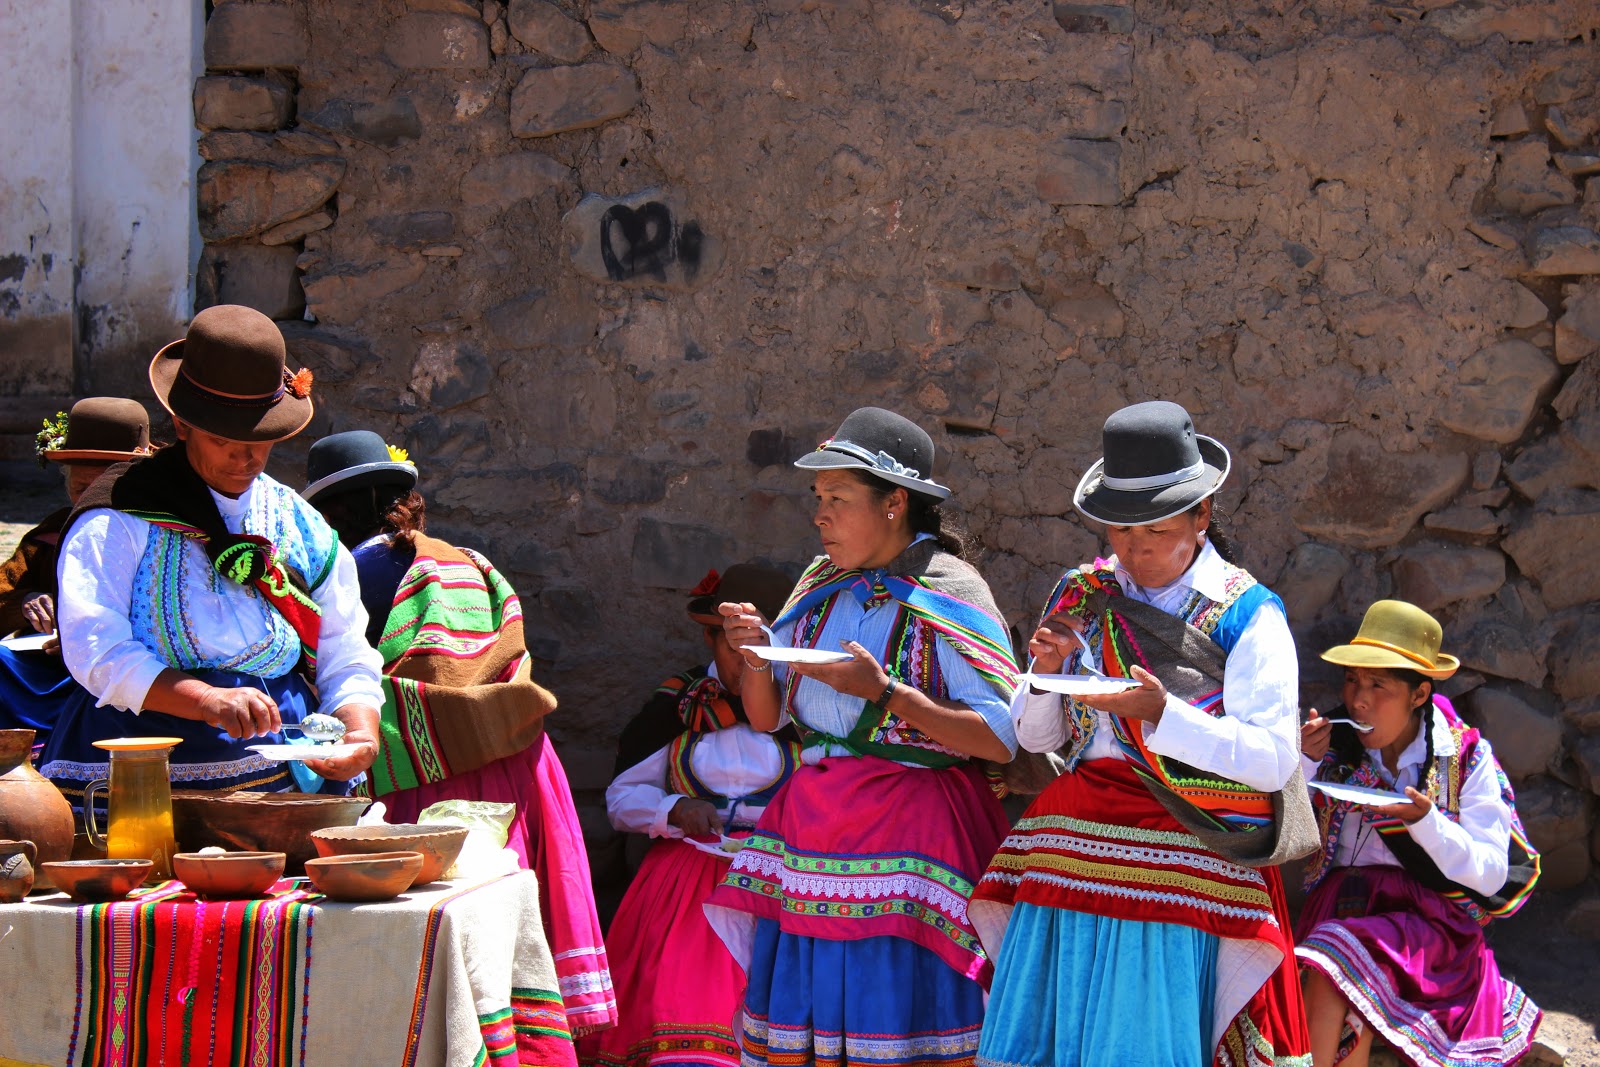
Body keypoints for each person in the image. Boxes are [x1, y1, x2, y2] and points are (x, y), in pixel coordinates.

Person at [970, 400, 1311, 1067]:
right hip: (1079, 827)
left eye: (1154, 529)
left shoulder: (1247, 614)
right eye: (1120, 531)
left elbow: (1274, 760)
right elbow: (1035, 737)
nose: (1134, 548)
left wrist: (1162, 716)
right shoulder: (1084, 592)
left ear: (1201, 514)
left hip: (1194, 829)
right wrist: (1043, 672)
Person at [705, 407, 1021, 1066]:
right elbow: (767, 719)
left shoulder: (952, 595)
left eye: (839, 499)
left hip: (910, 850)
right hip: (813, 843)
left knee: (896, 1019)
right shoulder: (820, 588)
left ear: (894, 503)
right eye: (818, 499)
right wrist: (760, 653)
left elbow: (1000, 738)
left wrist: (888, 694)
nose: (820, 516)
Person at [303, 429, 615, 1044]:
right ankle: (524, 1040)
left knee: (434, 930)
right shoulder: (472, 564)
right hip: (508, 754)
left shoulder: (350, 573)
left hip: (420, 772)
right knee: (506, 911)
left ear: (333, 512)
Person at [44, 305, 383, 816]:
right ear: (182, 426)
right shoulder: (118, 516)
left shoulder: (299, 524)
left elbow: (343, 645)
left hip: (281, 780)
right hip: (142, 770)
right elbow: (97, 648)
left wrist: (358, 727)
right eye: (223, 441)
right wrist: (207, 701)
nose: (244, 460)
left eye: (259, 443)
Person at [1297, 601, 1542, 1067]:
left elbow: (1492, 875)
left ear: (1419, 693)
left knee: (1336, 962)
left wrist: (1426, 824)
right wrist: (1304, 763)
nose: (1358, 700)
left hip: (1428, 927)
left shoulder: (1465, 758)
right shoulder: (1329, 744)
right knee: (1338, 959)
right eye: (1352, 680)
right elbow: (1277, 827)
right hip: (1343, 907)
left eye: (1377, 685)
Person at [583, 563, 802, 1067]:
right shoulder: (676, 708)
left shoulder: (806, 712)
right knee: (686, 1013)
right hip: (687, 885)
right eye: (734, 647)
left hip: (781, 882)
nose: (747, 662)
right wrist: (674, 809)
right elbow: (621, 798)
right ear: (710, 639)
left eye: (760, 650)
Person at [0, 399, 152, 747]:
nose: (89, 500)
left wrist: (84, 642)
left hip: (126, 673)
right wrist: (26, 601)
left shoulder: (157, 535)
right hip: (49, 675)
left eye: (100, 488)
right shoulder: (53, 532)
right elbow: (5, 588)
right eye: (80, 488)